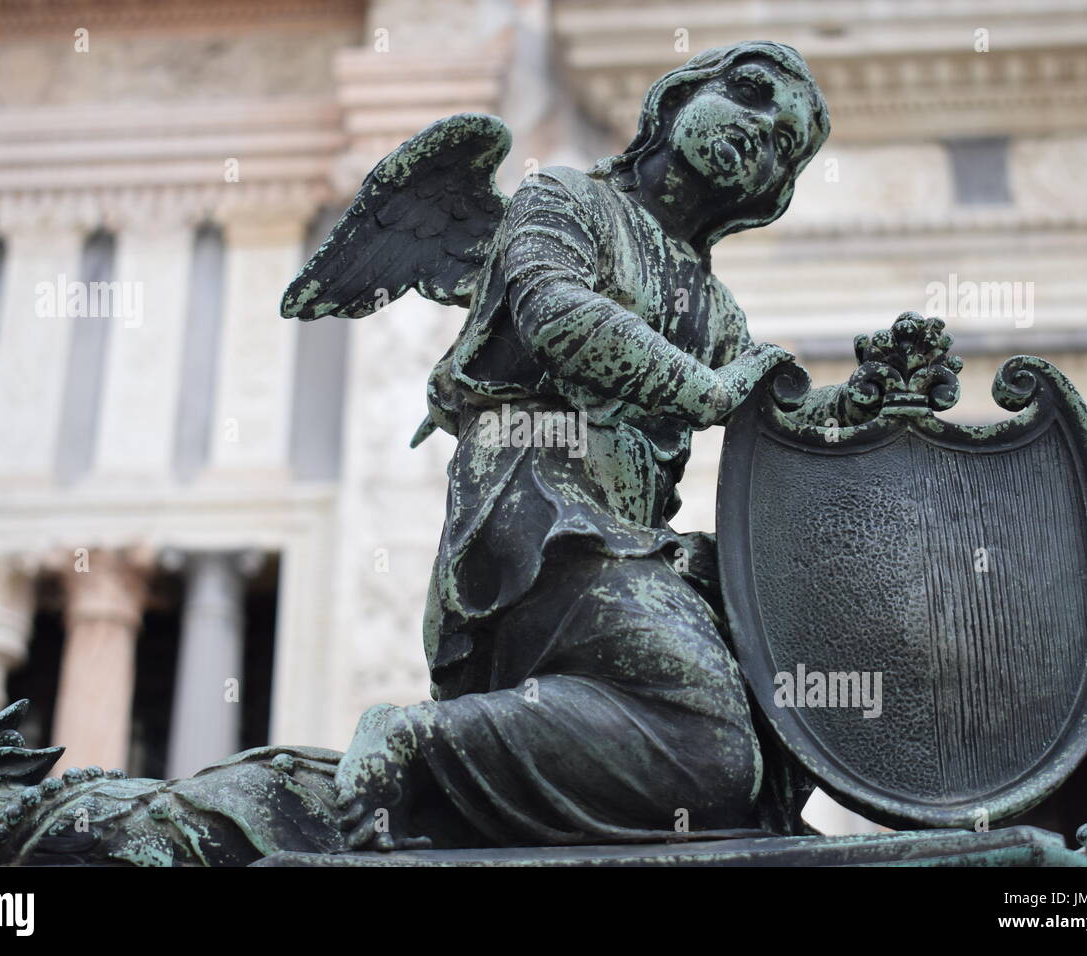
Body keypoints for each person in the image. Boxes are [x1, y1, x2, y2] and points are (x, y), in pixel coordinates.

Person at [332, 41, 844, 850]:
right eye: (749, 95)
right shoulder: (565, 200)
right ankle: (418, 742)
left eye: (787, 145)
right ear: (678, 97)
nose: (762, 133)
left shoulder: (714, 307)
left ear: (771, 191)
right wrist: (705, 389)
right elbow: (555, 312)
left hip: (638, 548)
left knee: (779, 715)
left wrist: (871, 404)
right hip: (537, 512)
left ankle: (471, 774)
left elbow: (779, 428)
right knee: (711, 750)